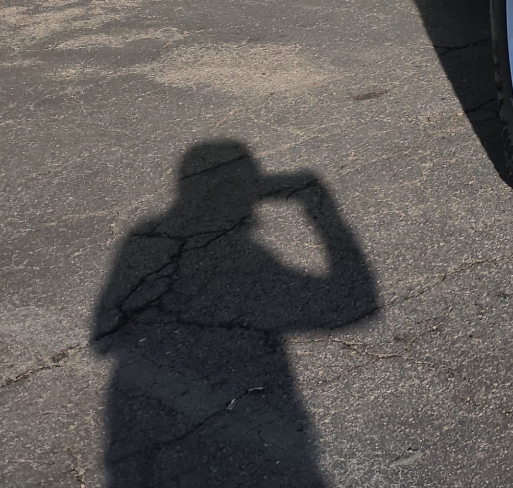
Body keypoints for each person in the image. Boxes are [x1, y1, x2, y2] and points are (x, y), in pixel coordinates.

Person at [92, 140, 378, 487]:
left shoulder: (143, 236)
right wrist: (320, 206)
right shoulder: (244, 259)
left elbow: (104, 335)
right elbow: (353, 304)